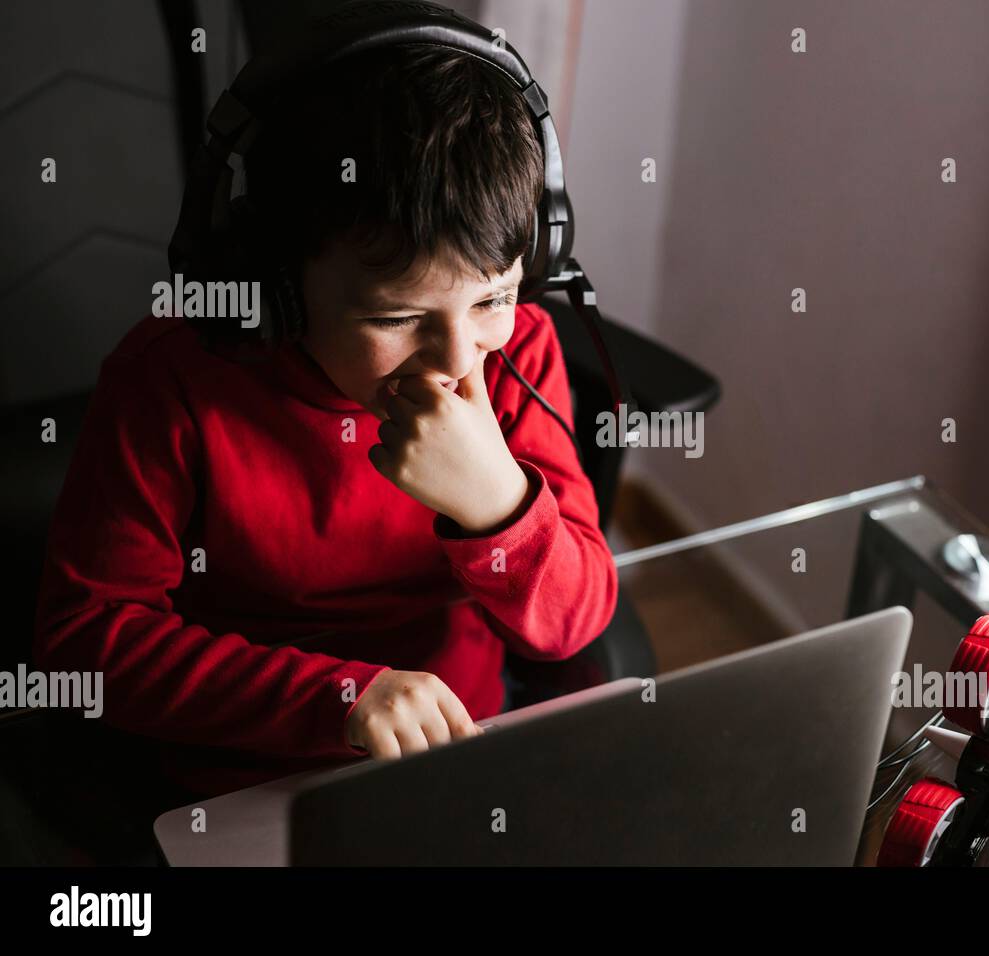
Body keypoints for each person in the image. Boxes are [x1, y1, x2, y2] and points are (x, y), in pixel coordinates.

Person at [32, 42, 618, 797]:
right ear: (278, 285)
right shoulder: (172, 379)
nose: (454, 359)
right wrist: (339, 699)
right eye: (400, 316)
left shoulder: (518, 353)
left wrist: (497, 504)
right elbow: (84, 642)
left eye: (491, 300)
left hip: (460, 755)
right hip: (242, 781)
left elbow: (572, 622)